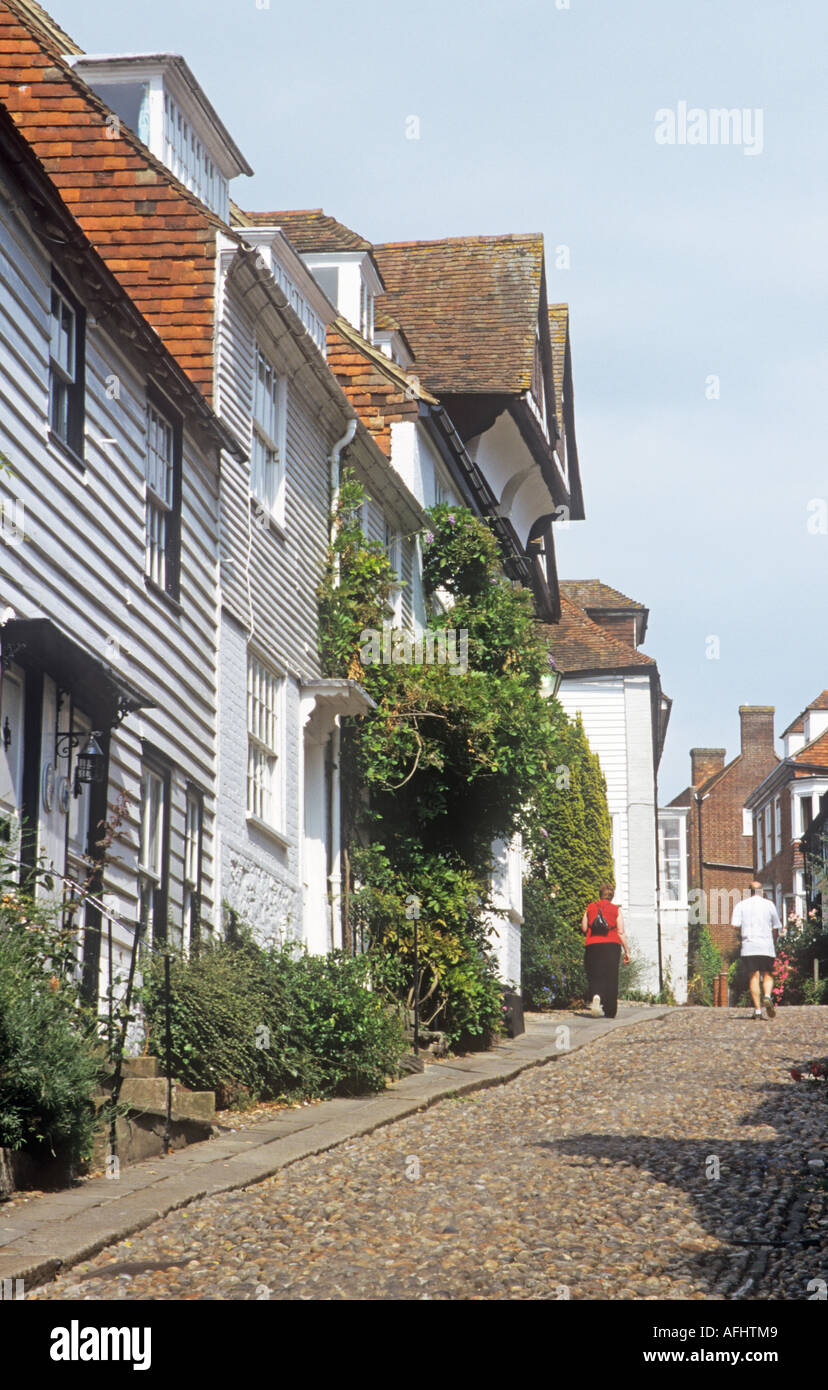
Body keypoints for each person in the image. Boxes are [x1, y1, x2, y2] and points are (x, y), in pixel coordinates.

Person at [731, 880, 782, 1020]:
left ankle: (758, 1011)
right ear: (762, 891)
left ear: (749, 892)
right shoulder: (769, 904)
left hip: (749, 946)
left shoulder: (741, 905)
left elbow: (734, 925)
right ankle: (766, 996)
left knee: (753, 976)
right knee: (768, 974)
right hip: (766, 945)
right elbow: (776, 925)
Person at [580, 882, 631, 1019]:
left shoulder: (590, 907)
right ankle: (610, 1011)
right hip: (611, 946)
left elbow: (584, 928)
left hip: (593, 945)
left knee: (595, 974)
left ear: (600, 894)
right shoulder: (615, 909)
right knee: (611, 977)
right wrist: (626, 950)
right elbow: (620, 932)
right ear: (612, 896)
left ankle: (596, 995)